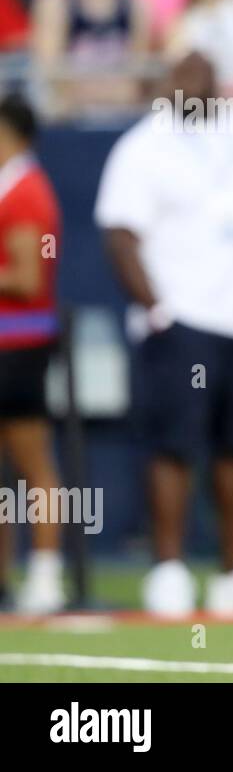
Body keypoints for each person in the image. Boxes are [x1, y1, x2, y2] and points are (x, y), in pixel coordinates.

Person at [93, 52, 233, 617]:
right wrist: (158, 308)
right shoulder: (143, 146)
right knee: (173, 446)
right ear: (166, 82)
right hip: (180, 321)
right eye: (183, 75)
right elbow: (120, 234)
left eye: (205, 75)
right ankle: (168, 569)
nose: (195, 84)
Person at [0, 93, 65, 613]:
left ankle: (46, 576)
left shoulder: (24, 193)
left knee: (31, 462)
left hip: (17, 346)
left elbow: (25, 278)